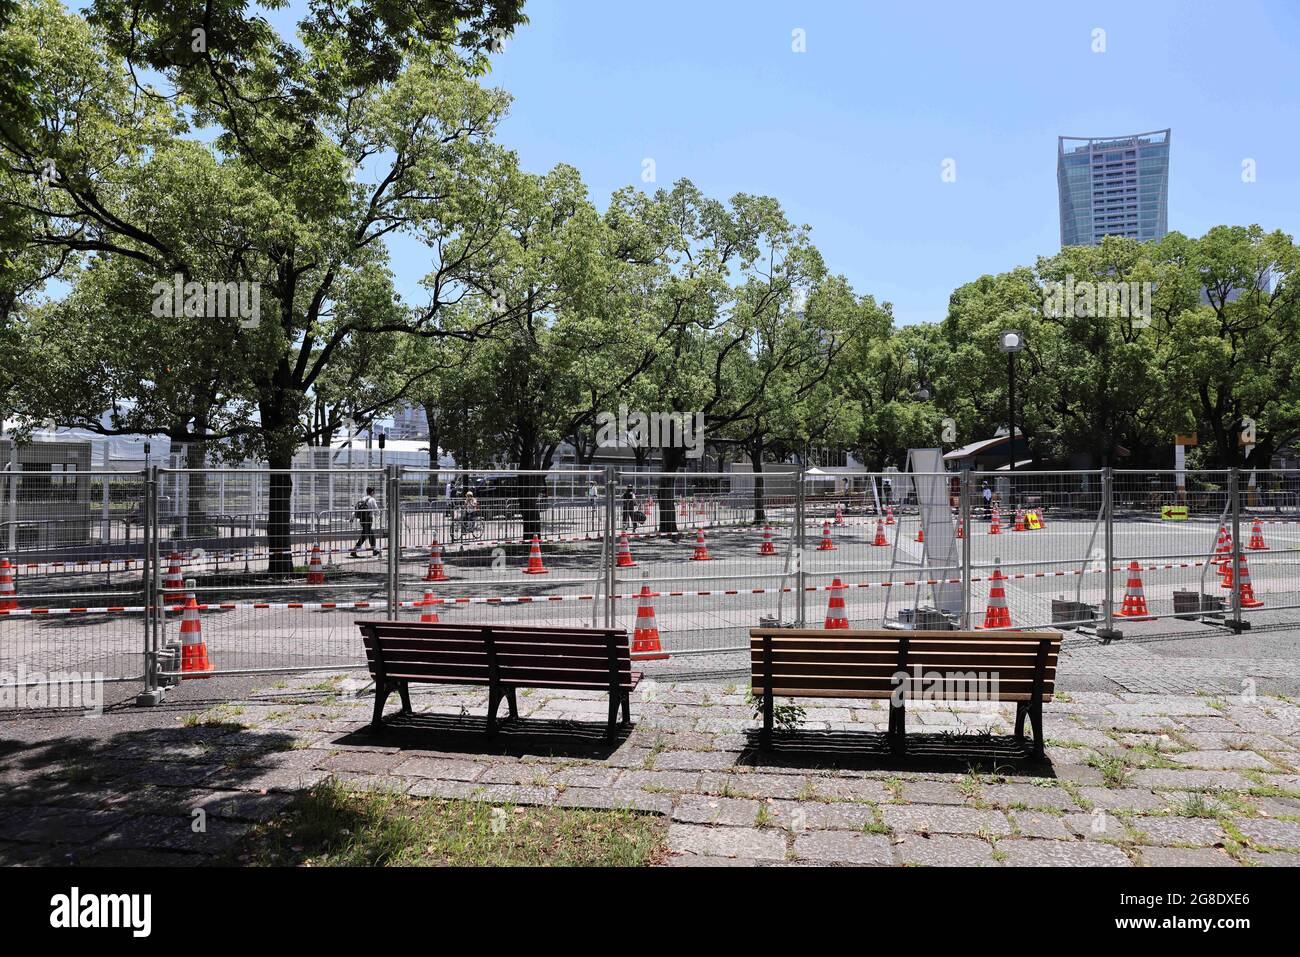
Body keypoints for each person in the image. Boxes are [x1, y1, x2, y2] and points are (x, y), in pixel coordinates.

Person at [351, 486, 380, 557]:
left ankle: (355, 550)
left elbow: (357, 509)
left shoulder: (362, 499)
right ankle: (374, 550)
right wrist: (379, 514)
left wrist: (352, 517)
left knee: (366, 535)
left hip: (362, 519)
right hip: (368, 519)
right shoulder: (372, 499)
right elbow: (376, 510)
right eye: (374, 492)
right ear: (372, 492)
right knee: (369, 534)